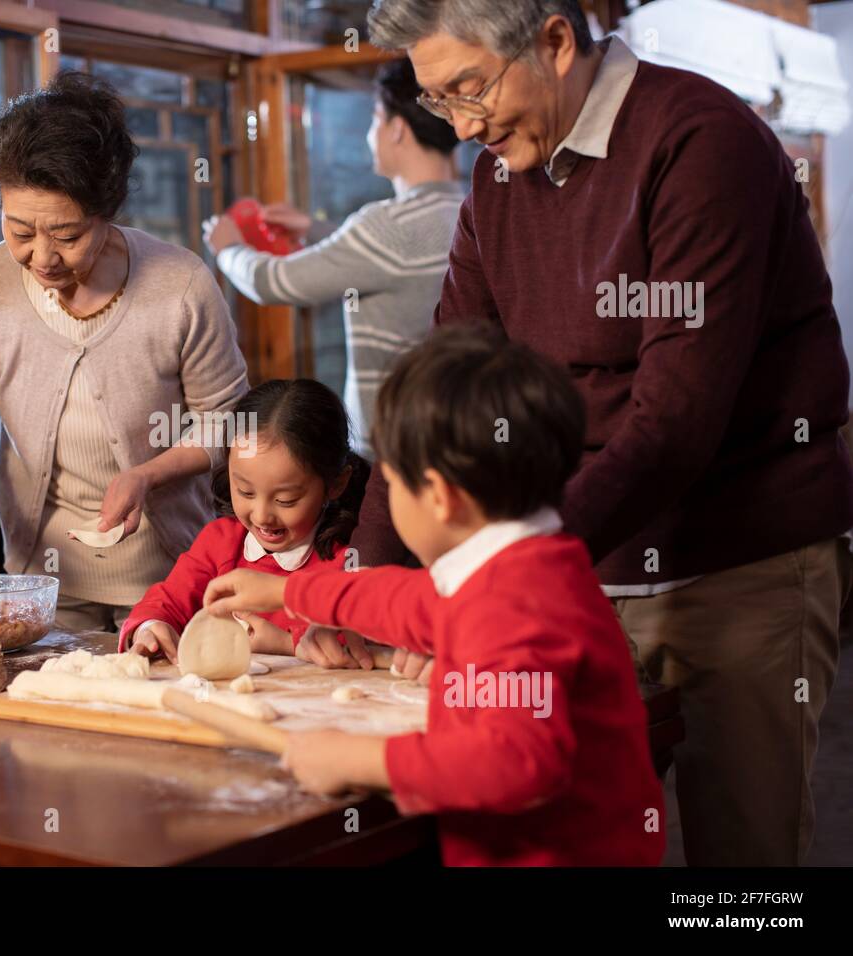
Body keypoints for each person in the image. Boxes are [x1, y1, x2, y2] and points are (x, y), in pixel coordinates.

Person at [351, 0, 853, 865]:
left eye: (470, 89)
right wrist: (365, 574)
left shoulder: (699, 141)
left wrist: (503, 579)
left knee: (737, 864)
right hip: (570, 558)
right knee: (575, 833)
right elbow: (439, 385)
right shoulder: (496, 178)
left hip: (731, 557)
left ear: (553, 41)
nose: (464, 127)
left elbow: (675, 423)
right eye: (439, 103)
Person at [205, 327, 664, 866]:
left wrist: (360, 757)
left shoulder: (515, 604)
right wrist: (291, 589)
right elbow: (407, 601)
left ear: (441, 499)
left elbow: (513, 764)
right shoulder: (526, 565)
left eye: (393, 485)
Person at [0, 73, 248, 634]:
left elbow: (226, 422)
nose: (42, 257)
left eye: (68, 235)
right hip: (40, 578)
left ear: (108, 212)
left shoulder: (180, 285)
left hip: (171, 573)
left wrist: (149, 474)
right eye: (19, 230)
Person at [203, 58, 463, 457]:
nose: (370, 134)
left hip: (392, 453)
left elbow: (273, 282)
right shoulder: (469, 208)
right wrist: (313, 229)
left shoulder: (386, 225)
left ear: (396, 129)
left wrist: (228, 248)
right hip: (454, 435)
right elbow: (394, 260)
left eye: (375, 119)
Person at [120, 379, 369, 665]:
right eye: (245, 492)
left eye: (286, 500)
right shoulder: (221, 543)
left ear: (336, 484)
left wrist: (286, 644)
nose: (262, 515)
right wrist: (150, 627)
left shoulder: (347, 560)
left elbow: (361, 641)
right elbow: (167, 601)